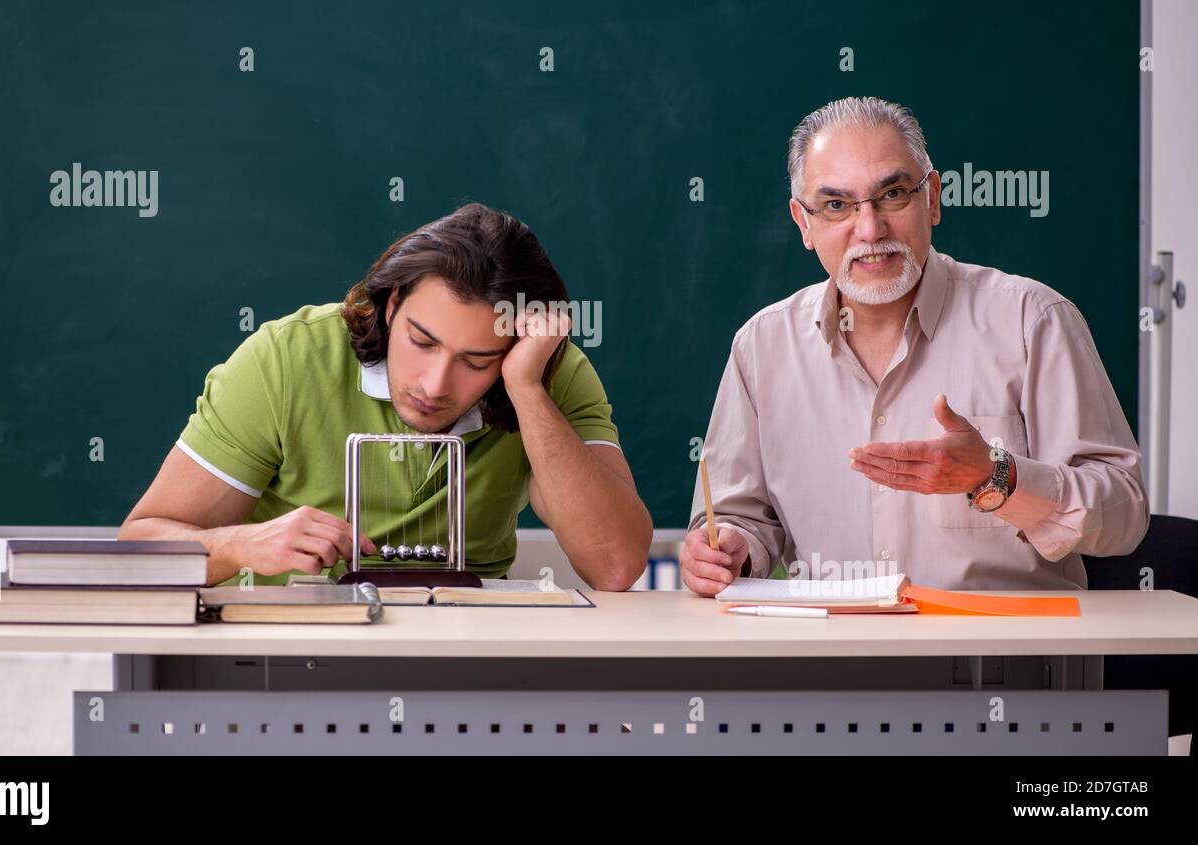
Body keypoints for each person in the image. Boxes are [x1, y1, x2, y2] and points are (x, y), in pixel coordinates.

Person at [682, 96, 1147, 595]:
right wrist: (728, 548)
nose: (870, 229)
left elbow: (1124, 514)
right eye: (837, 205)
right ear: (804, 224)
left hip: (1002, 661)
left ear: (932, 199)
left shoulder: (1032, 321)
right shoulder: (762, 346)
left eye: (893, 194)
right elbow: (738, 519)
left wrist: (997, 478)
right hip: (832, 659)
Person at [122, 202, 652, 589]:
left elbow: (614, 565)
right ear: (392, 303)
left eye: (476, 361)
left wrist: (526, 390)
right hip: (291, 658)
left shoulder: (545, 374)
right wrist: (237, 544)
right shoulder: (283, 360)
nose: (434, 385)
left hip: (468, 665)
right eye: (422, 342)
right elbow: (138, 550)